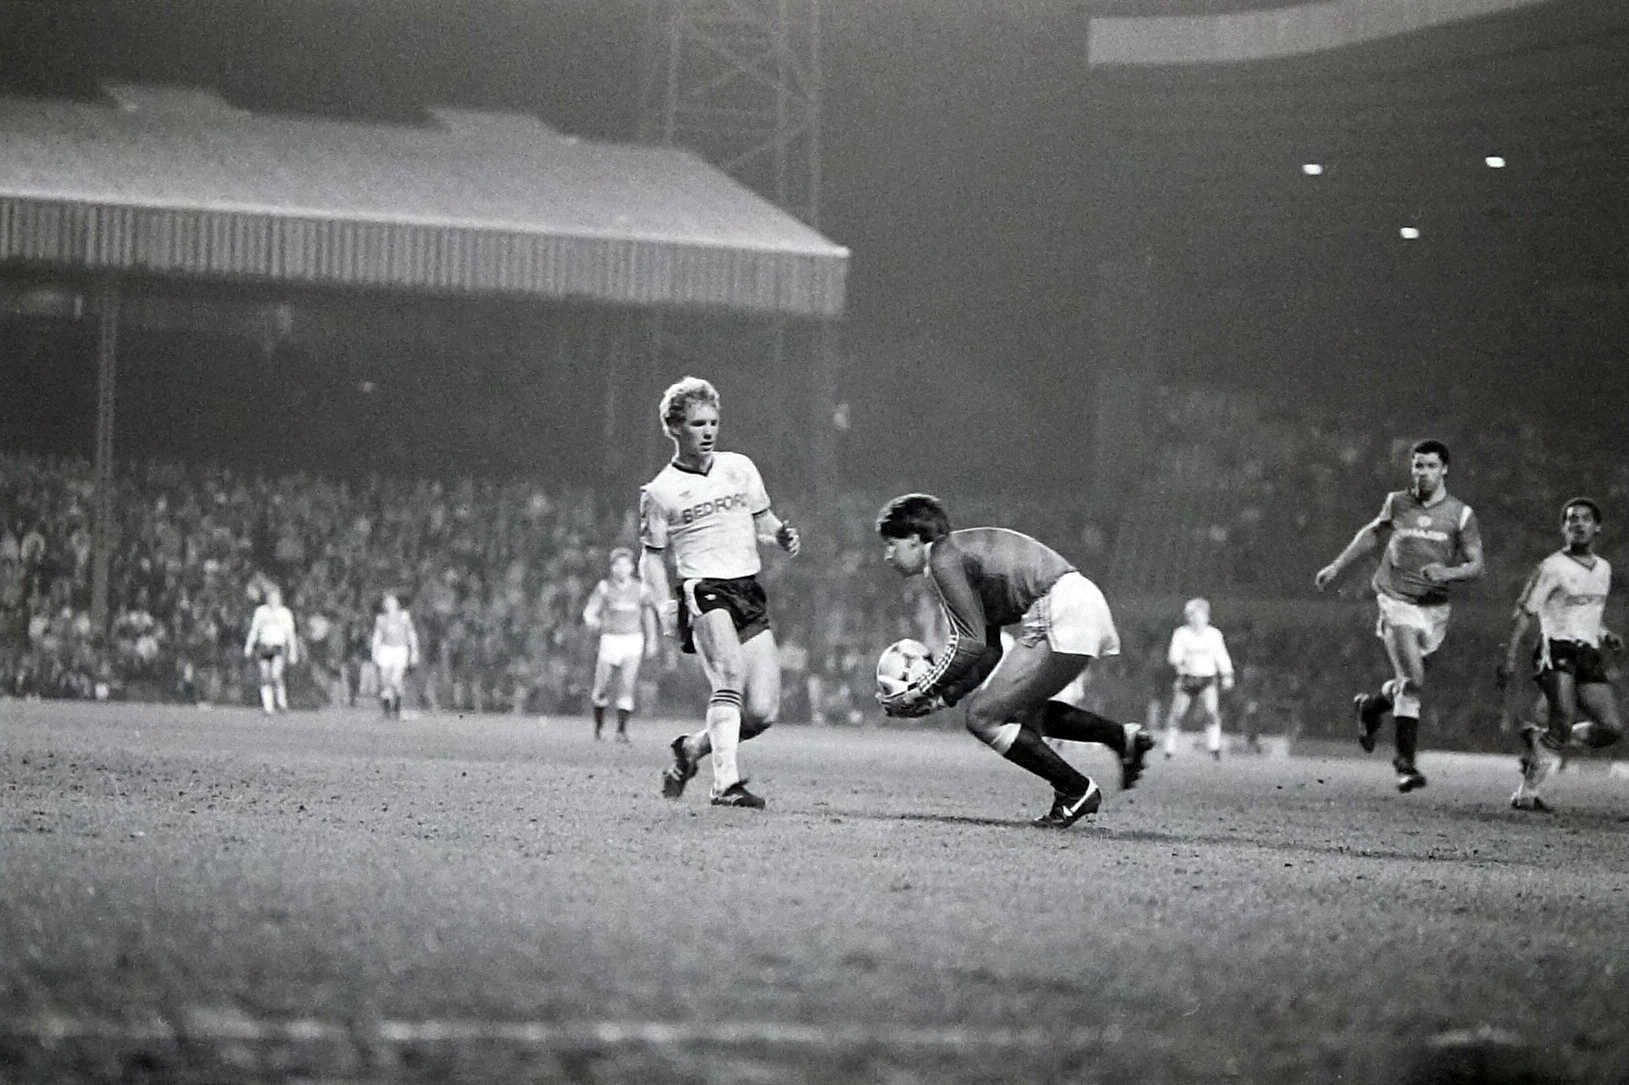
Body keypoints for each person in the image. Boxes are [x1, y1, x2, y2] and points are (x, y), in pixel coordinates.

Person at [875, 493, 1152, 829]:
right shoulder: (958, 554)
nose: (887, 555)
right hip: (1080, 599)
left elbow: (968, 643)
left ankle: (1075, 790)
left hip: (1059, 606)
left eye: (892, 543)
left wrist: (919, 690)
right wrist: (941, 698)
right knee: (1015, 711)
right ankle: (1122, 738)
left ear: (917, 540)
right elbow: (988, 649)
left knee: (982, 718)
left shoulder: (942, 559)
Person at [640, 377, 800, 809]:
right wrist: (664, 606)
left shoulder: (739, 467)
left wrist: (780, 534)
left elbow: (762, 519)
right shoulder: (660, 492)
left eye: (713, 422)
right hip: (704, 589)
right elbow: (651, 557)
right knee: (729, 678)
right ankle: (724, 785)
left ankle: (692, 748)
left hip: (747, 587)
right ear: (674, 428)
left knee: (763, 712)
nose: (708, 431)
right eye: (697, 423)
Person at [1315, 439, 1483, 792]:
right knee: (1415, 682)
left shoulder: (1461, 514)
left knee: (1407, 684)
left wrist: (1447, 573)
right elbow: (1373, 534)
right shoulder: (1398, 502)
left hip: (1435, 610)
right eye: (1417, 466)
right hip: (1396, 602)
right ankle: (1405, 763)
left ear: (1445, 469)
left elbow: (1476, 565)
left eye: (1429, 466)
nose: (1422, 473)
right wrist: (1336, 566)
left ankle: (1373, 707)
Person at [1500, 499, 1622, 812]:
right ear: (1564, 528)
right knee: (1563, 719)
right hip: (1556, 650)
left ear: (1597, 526)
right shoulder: (1552, 566)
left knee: (1610, 728)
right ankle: (1526, 793)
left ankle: (1542, 740)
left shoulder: (1604, 568)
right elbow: (1525, 611)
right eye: (1571, 520)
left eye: (1585, 518)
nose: (1578, 524)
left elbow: (1588, 612)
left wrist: (1605, 633)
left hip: (1588, 654)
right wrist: (1510, 656)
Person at [582, 547, 657, 742]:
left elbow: (648, 615)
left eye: (626, 565)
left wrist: (652, 640)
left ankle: (621, 731)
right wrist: (592, 620)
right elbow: (591, 611)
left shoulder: (640, 589)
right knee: (602, 686)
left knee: (627, 684)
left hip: (632, 639)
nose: (622, 569)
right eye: (618, 565)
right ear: (613, 568)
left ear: (632, 567)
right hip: (610, 639)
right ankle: (598, 728)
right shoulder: (604, 587)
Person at [1161, 597, 1235, 761]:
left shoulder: (1214, 634)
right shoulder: (1181, 633)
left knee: (1211, 712)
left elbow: (1221, 655)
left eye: (1198, 615)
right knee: (1177, 714)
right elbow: (1174, 655)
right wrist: (1179, 665)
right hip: (1187, 678)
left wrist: (1227, 674)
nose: (1195, 618)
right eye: (1191, 615)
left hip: (1207, 679)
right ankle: (1169, 749)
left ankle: (1214, 748)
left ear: (1206, 616)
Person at [244, 584, 298, 714]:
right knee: (264, 675)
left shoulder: (285, 613)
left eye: (275, 597)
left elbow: (290, 634)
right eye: (271, 597)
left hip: (278, 647)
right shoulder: (261, 612)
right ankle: (268, 706)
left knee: (275, 675)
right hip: (265, 647)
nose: (273, 600)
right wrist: (249, 646)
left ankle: (281, 702)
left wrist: (293, 652)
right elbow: (254, 630)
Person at [370, 592, 420, 719]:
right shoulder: (381, 619)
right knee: (385, 680)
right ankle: (386, 711)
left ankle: (397, 708)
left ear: (396, 603)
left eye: (392, 602)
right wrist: (375, 652)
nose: (389, 605)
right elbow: (377, 636)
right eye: (387, 602)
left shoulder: (404, 616)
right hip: (386, 649)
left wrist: (414, 651)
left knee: (396, 680)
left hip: (400, 649)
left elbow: (411, 634)